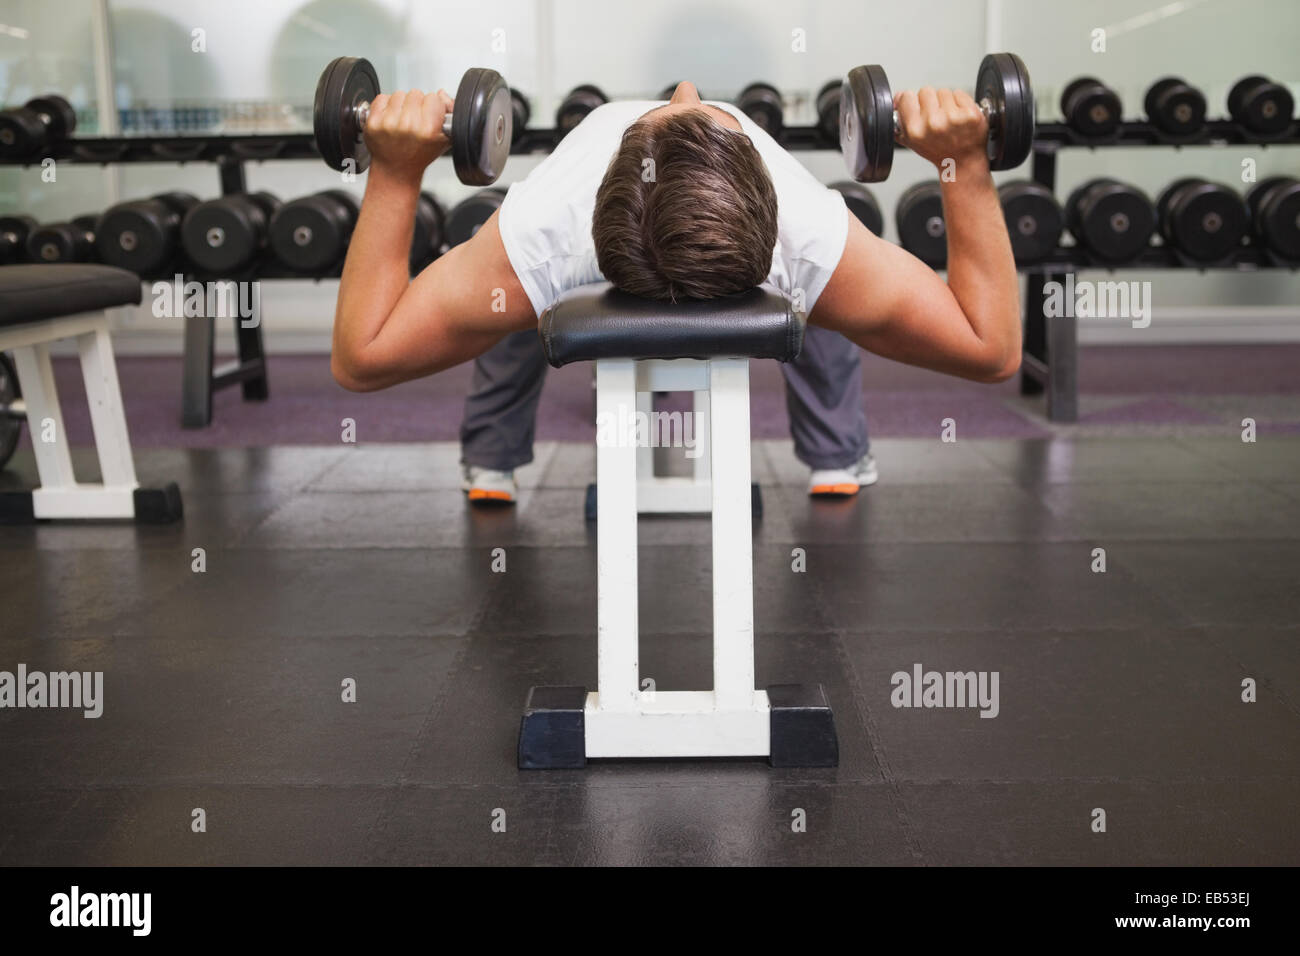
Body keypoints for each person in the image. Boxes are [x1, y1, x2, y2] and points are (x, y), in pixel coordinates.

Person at [330, 80, 1021, 499]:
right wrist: (962, 159)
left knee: (508, 313)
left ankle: (489, 461)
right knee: (828, 311)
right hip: (589, 254)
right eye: (697, 113)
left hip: (553, 265)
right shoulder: (813, 246)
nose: (686, 96)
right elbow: (987, 347)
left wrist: (394, 169)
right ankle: (838, 458)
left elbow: (365, 357)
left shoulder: (534, 245)